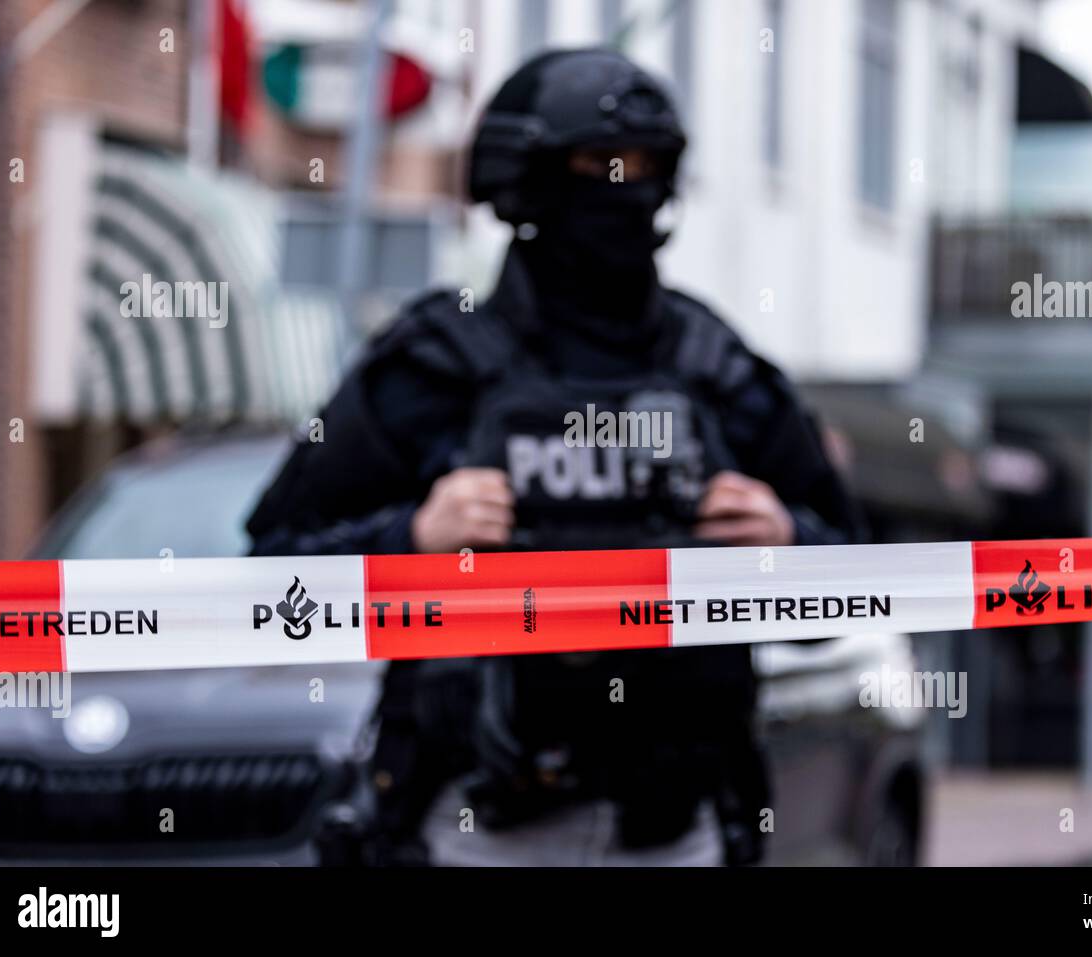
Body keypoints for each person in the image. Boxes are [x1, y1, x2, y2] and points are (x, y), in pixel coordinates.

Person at [246, 47, 865, 866]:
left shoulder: (714, 369)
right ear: (528, 175)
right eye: (598, 162)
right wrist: (411, 540)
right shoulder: (434, 365)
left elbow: (863, 590)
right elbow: (268, 577)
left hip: (677, 835)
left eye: (645, 164)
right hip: (478, 833)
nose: (625, 185)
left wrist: (790, 545)